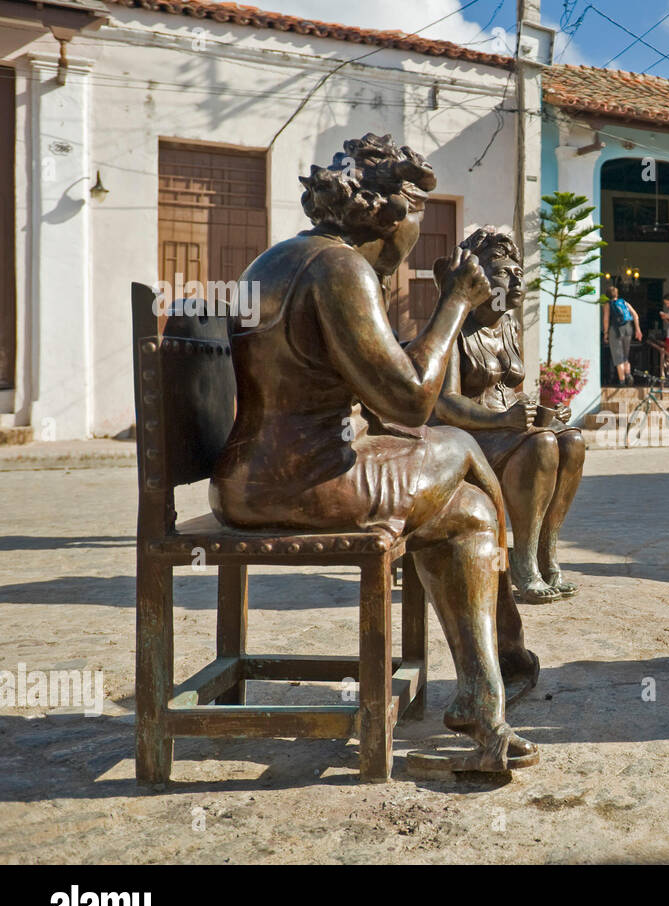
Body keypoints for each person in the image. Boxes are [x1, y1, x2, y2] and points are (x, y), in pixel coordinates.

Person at [210, 133, 537, 772]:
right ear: (388, 218)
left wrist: (439, 320)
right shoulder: (340, 270)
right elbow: (412, 401)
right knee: (463, 442)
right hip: (306, 485)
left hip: (254, 479)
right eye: (419, 216)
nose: (420, 234)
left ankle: (482, 698)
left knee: (468, 511)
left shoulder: (281, 259)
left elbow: (382, 386)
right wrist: (456, 304)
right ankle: (512, 628)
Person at [433, 228, 586, 604]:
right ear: (478, 278)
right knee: (544, 445)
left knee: (572, 439)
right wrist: (503, 421)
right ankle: (523, 566)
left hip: (506, 429)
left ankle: (545, 555)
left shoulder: (510, 327)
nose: (517, 276)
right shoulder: (455, 326)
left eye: (519, 269)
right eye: (504, 270)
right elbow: (446, 403)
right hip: (467, 435)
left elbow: (512, 392)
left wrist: (542, 411)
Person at [602, 284, 641, 385]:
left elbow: (606, 319)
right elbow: (635, 315)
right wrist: (638, 329)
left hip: (615, 330)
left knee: (618, 357)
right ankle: (628, 375)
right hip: (628, 329)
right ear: (616, 294)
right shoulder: (624, 302)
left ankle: (622, 382)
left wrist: (605, 333)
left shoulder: (608, 304)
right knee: (625, 356)